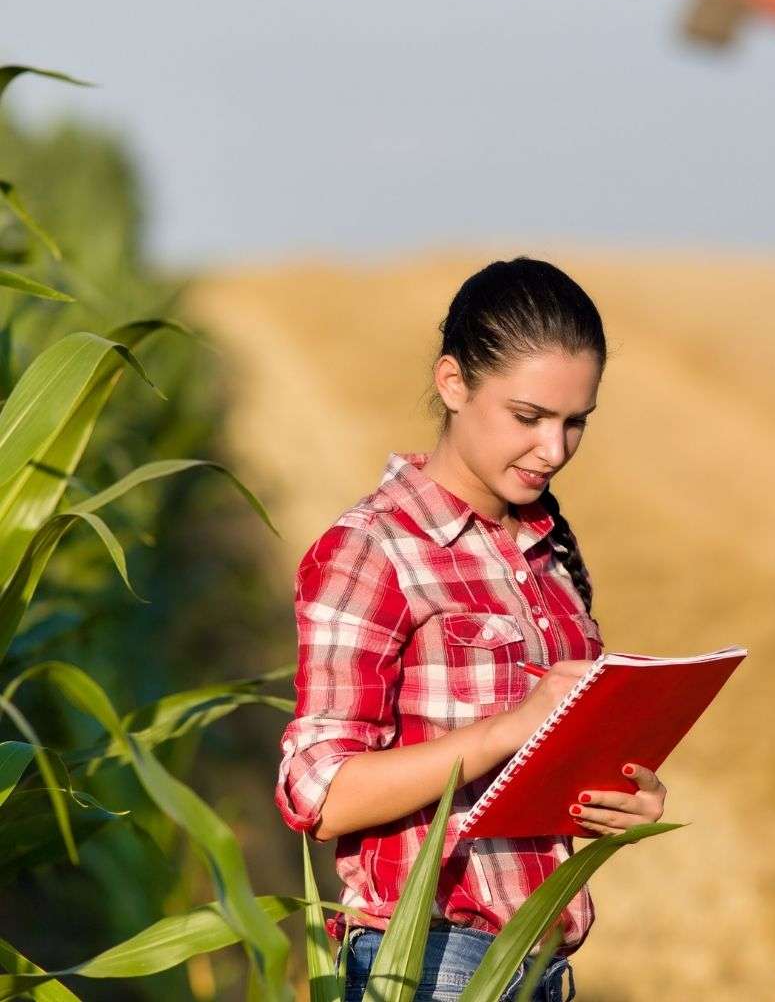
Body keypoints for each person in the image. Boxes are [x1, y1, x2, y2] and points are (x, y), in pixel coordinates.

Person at [274, 256, 667, 1002]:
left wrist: (616, 799)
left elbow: (530, 780)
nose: (555, 450)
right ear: (453, 383)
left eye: (574, 421)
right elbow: (319, 792)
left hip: (542, 963)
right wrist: (509, 728)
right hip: (424, 964)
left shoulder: (550, 553)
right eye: (528, 418)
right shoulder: (374, 548)